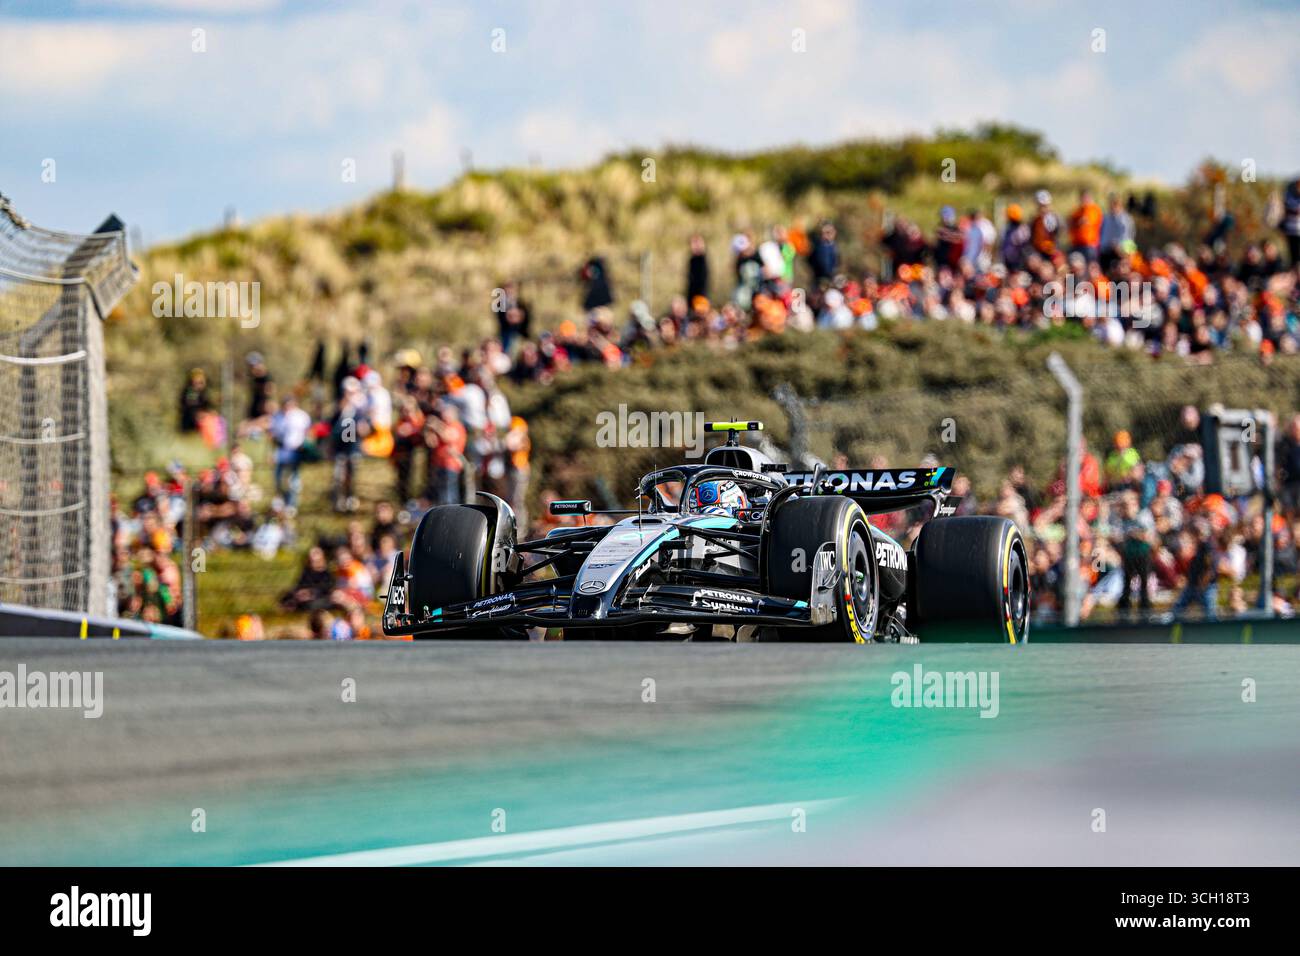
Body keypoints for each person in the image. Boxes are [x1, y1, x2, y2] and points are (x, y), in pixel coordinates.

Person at [269, 394, 312, 511]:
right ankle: (281, 502)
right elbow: (273, 436)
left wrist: (305, 446)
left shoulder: (301, 416)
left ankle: (292, 504)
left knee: (293, 479)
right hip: (281, 452)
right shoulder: (277, 417)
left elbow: (308, 432)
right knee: (279, 479)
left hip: (296, 451)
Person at [1068, 189, 1102, 263]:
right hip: (1076, 244)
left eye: (1087, 197)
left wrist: (1079, 222)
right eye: (1083, 198)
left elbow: (1087, 221)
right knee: (1071, 266)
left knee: (1089, 266)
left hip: (1089, 245)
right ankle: (1070, 276)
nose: (1085, 200)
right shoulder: (1077, 211)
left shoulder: (1094, 210)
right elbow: (1070, 222)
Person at [178, 368, 212, 432]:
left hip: (197, 424)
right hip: (191, 426)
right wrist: (202, 415)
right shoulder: (191, 392)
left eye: (202, 381)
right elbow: (192, 407)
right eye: (198, 381)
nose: (201, 383)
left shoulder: (201, 392)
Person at [685, 234, 710, 302]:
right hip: (692, 297)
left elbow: (703, 281)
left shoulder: (702, 260)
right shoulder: (692, 260)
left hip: (701, 297)